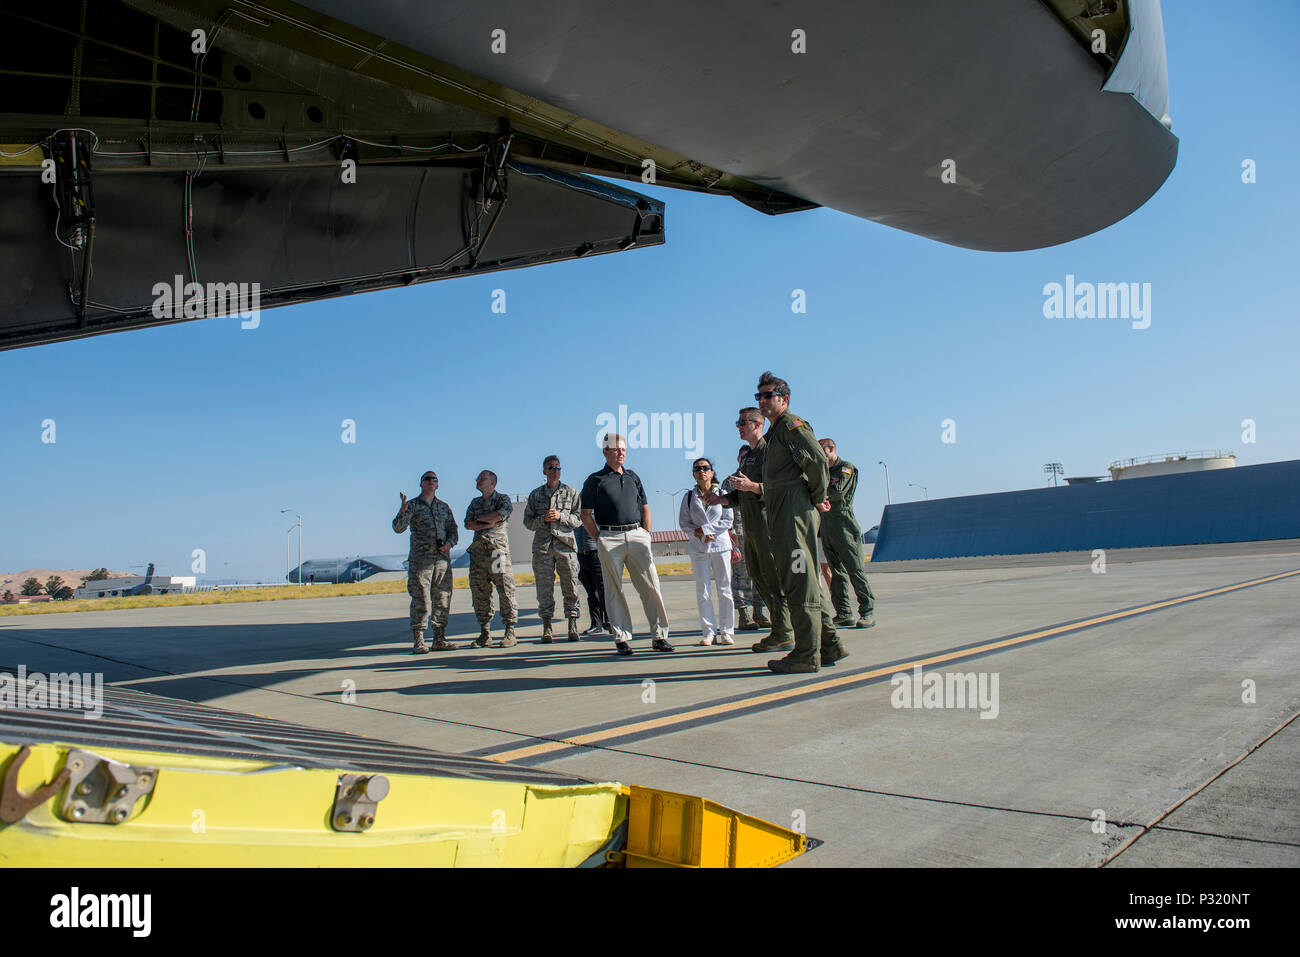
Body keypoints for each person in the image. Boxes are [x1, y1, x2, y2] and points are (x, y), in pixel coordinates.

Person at [752, 372, 849, 674]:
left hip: (794, 514)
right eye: (760, 396)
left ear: (784, 398)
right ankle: (829, 645)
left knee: (799, 580)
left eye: (769, 395)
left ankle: (806, 653)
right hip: (784, 513)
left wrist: (818, 495)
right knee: (805, 580)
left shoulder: (792, 426)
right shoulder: (775, 433)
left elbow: (818, 460)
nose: (763, 400)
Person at [707, 409, 794, 653]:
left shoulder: (771, 451)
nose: (738, 426)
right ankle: (779, 629)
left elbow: (781, 487)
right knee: (760, 578)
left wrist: (753, 486)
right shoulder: (747, 458)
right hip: (751, 529)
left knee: (774, 579)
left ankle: (784, 630)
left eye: (742, 422)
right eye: (737, 422)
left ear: (758, 424)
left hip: (769, 527)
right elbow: (740, 496)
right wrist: (720, 500)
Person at [580, 433, 674, 656]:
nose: (621, 453)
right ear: (605, 452)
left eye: (623, 449)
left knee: (651, 586)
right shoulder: (594, 480)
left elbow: (645, 508)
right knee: (614, 591)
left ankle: (659, 636)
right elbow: (585, 515)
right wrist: (600, 539)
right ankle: (621, 638)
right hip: (609, 538)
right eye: (616, 449)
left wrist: (646, 535)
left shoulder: (633, 476)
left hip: (637, 535)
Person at [392, 470, 458, 653]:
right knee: (421, 598)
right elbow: (398, 528)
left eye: (434, 479)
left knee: (443, 598)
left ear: (437, 485)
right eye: (427, 479)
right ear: (421, 484)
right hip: (421, 561)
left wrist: (449, 544)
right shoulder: (412, 505)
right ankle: (419, 639)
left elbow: (453, 529)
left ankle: (439, 638)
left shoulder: (444, 507)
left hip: (442, 561)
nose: (430, 481)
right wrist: (402, 511)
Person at [818, 438, 877, 628]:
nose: (820, 456)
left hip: (843, 522)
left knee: (855, 569)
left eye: (822, 451)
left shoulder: (845, 468)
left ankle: (867, 611)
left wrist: (818, 492)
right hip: (826, 524)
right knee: (836, 572)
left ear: (832, 449)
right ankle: (843, 612)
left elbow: (836, 492)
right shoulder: (823, 472)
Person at [523, 455, 583, 642]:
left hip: (565, 546)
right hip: (543, 547)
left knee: (571, 585)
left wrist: (560, 517)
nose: (555, 471)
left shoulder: (570, 492)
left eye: (557, 468)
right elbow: (528, 522)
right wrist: (544, 519)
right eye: (551, 468)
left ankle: (572, 624)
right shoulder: (535, 495)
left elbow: (578, 519)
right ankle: (547, 626)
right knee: (544, 588)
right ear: (544, 471)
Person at [678, 457, 736, 645]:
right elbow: (684, 522)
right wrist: (697, 532)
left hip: (720, 546)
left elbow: (728, 519)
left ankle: (727, 631)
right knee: (703, 591)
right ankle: (709, 632)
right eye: (698, 469)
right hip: (699, 547)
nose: (702, 471)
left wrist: (709, 531)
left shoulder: (723, 493)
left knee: (724, 589)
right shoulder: (688, 497)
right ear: (693, 474)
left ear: (711, 472)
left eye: (705, 468)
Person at [464, 470, 518, 648]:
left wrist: (485, 519)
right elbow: (468, 524)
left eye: (481, 478)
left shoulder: (503, 499)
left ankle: (510, 631)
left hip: (496, 552)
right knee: (480, 592)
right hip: (478, 552)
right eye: (477, 477)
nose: (477, 480)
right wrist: (486, 520)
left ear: (492, 482)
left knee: (504, 589)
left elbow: (499, 516)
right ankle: (485, 633)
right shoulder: (474, 503)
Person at [727, 445, 771, 632]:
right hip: (738, 533)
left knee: (762, 575)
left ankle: (759, 613)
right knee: (742, 576)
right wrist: (731, 537)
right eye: (743, 458)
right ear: (738, 460)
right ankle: (744, 615)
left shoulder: (760, 479)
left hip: (760, 531)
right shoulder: (729, 482)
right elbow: (725, 511)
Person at [574, 524, 610, 635]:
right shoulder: (574, 510)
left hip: (596, 553)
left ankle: (610, 621)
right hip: (580, 555)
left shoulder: (594, 507)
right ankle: (596, 624)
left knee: (603, 589)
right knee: (591, 592)